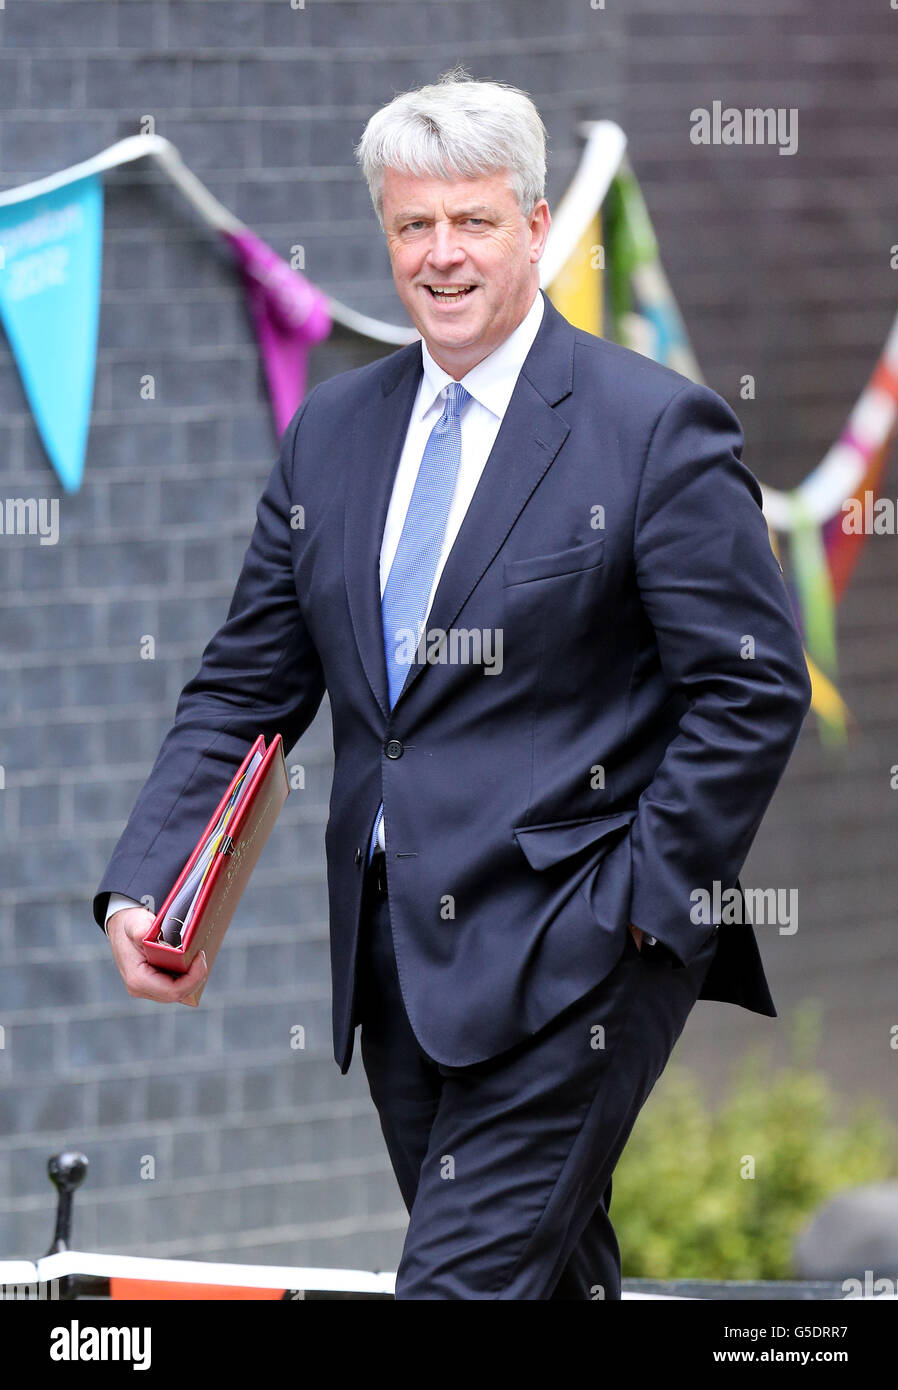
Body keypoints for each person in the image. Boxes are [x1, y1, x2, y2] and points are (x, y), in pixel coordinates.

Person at [94, 70, 812, 1299]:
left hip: (579, 952)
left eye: (473, 221)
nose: (440, 255)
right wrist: (156, 882)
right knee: (544, 1280)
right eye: (412, 224)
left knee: (457, 1288)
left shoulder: (652, 430)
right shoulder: (332, 433)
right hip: (396, 971)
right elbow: (242, 689)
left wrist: (642, 904)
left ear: (536, 224)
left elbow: (751, 687)